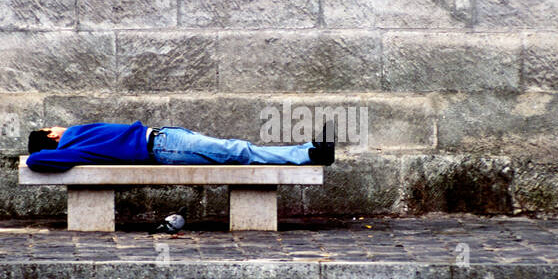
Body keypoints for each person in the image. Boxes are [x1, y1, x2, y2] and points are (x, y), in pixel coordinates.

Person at [25, 121, 335, 172]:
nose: (58, 126)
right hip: (163, 147)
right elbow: (36, 163)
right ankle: (310, 153)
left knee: (234, 149)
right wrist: (33, 155)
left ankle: (309, 149)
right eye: (51, 128)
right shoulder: (72, 144)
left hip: (165, 137)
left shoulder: (77, 137)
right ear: (51, 136)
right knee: (238, 151)